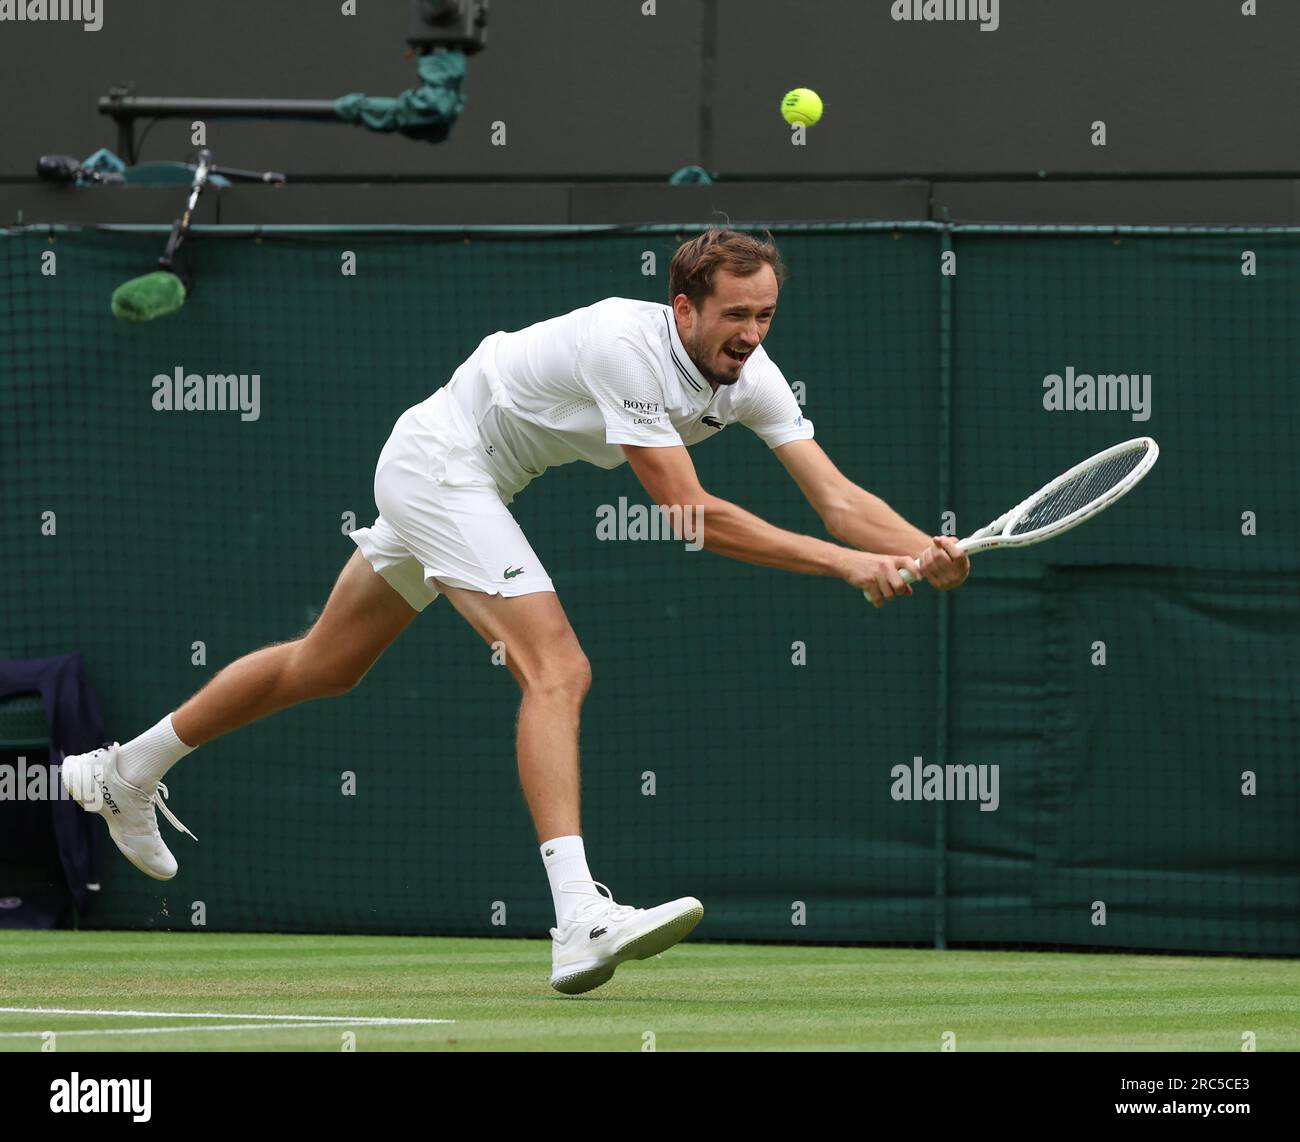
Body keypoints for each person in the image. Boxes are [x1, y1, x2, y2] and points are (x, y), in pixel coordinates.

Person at [62, 228, 970, 995]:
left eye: (765, 315)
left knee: (323, 665)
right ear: (684, 307)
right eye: (735, 314)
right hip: (441, 461)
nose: (751, 333)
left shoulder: (754, 376)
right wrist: (856, 568)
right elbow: (693, 517)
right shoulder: (629, 346)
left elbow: (838, 497)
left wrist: (921, 549)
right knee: (558, 667)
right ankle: (578, 916)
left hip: (476, 478)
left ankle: (122, 771)